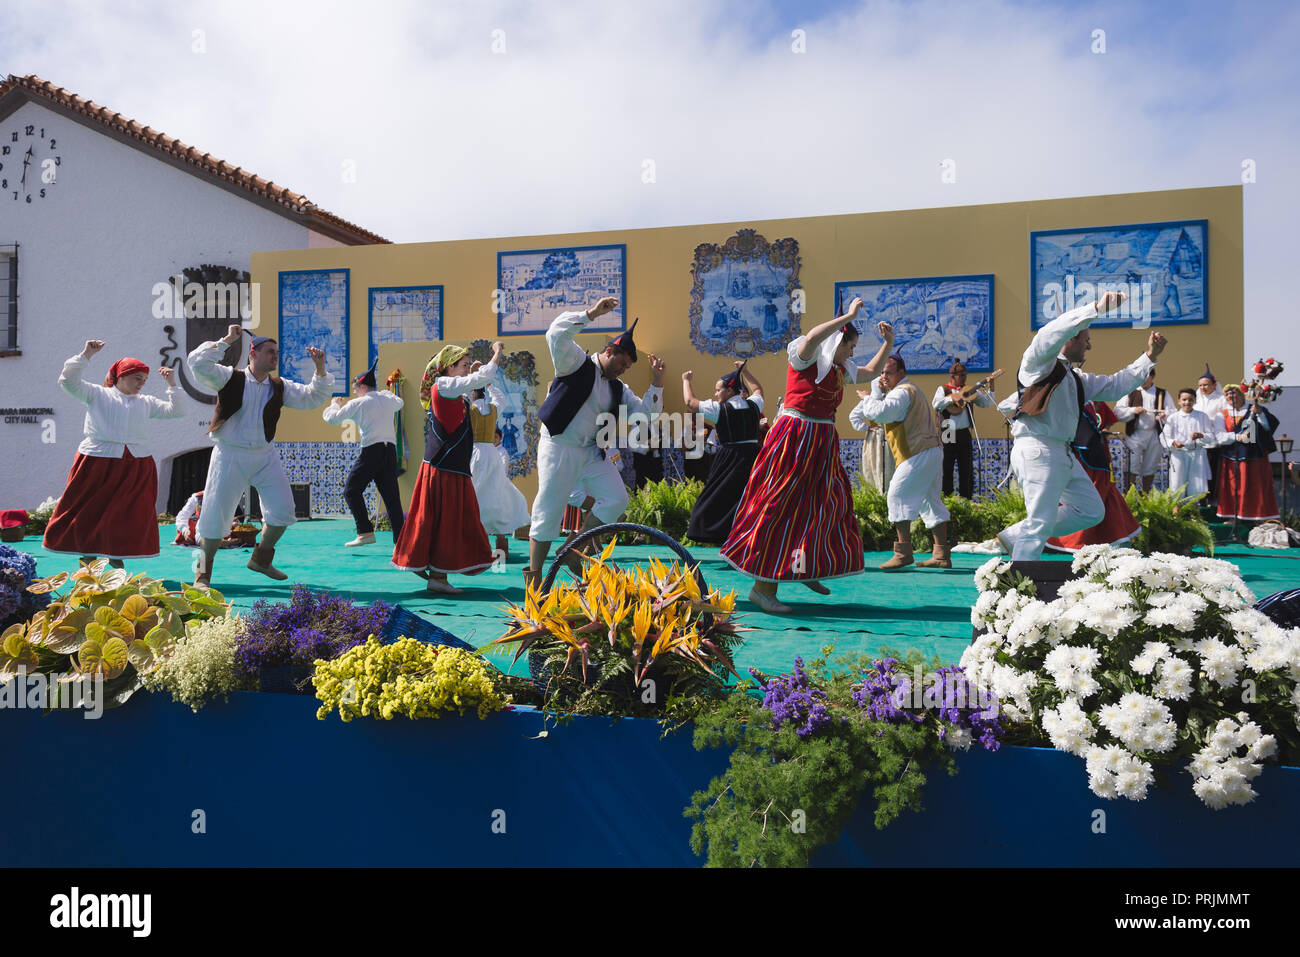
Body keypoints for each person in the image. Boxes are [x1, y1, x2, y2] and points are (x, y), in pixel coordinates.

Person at [720, 299, 891, 613]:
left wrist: (889, 344)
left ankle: (805, 567)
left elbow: (870, 372)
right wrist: (848, 316)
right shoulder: (805, 357)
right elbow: (813, 337)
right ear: (837, 341)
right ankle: (762, 590)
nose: (853, 352)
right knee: (781, 505)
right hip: (795, 438)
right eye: (850, 345)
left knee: (823, 505)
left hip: (821, 440)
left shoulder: (838, 369)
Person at [995, 292, 1165, 561]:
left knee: (1090, 510)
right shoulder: (1037, 364)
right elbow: (1048, 335)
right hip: (1038, 448)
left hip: (1062, 452)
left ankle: (1016, 536)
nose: (1089, 347)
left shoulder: (1075, 378)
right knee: (1039, 521)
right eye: (1086, 340)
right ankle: (1023, 581)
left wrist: (1149, 357)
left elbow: (1115, 385)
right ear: (1070, 338)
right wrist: (1097, 308)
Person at [525, 299, 665, 590]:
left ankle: (572, 551)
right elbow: (555, 334)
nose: (625, 369)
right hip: (558, 446)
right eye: (622, 363)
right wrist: (590, 315)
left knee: (617, 500)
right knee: (548, 511)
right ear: (609, 351)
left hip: (592, 452)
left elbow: (646, 416)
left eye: (628, 366)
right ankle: (535, 578)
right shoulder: (575, 362)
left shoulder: (618, 388)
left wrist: (657, 383)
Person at [187, 324, 334, 588]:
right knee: (212, 519)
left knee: (283, 511)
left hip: (265, 455)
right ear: (252, 353)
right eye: (270, 352)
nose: (275, 357)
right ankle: (202, 574)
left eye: (277, 352)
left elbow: (313, 397)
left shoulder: (280, 386)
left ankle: (261, 559)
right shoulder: (228, 377)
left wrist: (320, 368)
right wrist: (226, 341)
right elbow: (197, 365)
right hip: (229, 454)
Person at [43, 341, 183, 566]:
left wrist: (172, 384)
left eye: (144, 380)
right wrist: (86, 354)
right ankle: (88, 561)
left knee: (125, 514)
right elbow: (68, 381)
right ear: (120, 376)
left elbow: (176, 411)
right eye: (137, 378)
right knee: (89, 510)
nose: (141, 384)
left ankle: (115, 559)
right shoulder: (97, 394)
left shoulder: (146, 402)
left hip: (135, 464)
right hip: (96, 461)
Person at [392, 342, 505, 592]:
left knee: (442, 520)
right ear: (449, 367)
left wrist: (474, 374)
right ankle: (436, 576)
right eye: (462, 365)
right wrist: (497, 351)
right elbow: (482, 378)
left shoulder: (452, 390)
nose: (466, 369)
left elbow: (476, 385)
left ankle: (431, 571)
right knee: (445, 521)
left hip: (449, 467)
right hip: (444, 468)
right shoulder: (443, 385)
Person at [855, 353, 952, 570]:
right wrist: (876, 393)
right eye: (882, 372)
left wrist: (870, 395)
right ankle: (941, 555)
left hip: (918, 453)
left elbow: (880, 413)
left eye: (888, 372)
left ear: (901, 372)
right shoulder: (908, 390)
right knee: (931, 501)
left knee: (896, 495)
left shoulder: (901, 393)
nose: (884, 376)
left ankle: (903, 552)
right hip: (931, 451)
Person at [322, 358, 406, 547]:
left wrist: (334, 404)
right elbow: (399, 402)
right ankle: (401, 544)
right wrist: (385, 392)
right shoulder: (387, 399)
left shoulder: (359, 403)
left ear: (361, 386)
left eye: (354, 389)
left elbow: (333, 419)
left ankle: (365, 532)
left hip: (372, 451)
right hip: (389, 452)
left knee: (351, 491)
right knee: (392, 499)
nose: (354, 393)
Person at [683, 360, 764, 544]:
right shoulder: (753, 405)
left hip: (730, 458)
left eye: (718, 390)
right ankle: (746, 539)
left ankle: (717, 536)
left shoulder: (720, 409)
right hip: (755, 458)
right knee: (748, 499)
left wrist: (686, 380)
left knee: (714, 500)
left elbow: (690, 402)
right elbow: (758, 390)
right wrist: (747, 372)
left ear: (730, 391)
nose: (716, 393)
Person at [1045, 400, 1139, 551]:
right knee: (1084, 495)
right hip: (1077, 455)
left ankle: (1116, 538)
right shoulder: (1065, 400)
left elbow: (1108, 422)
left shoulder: (1095, 401)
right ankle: (1066, 540)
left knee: (1105, 490)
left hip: (1097, 453)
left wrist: (1102, 432)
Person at [469, 379, 530, 558]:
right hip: (491, 453)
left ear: (473, 393)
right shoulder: (493, 408)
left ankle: (475, 547)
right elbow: (500, 398)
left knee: (474, 494)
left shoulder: (469, 409)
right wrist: (489, 384)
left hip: (475, 453)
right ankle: (501, 542)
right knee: (497, 493)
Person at [1215, 383, 1280, 540]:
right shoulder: (1222, 414)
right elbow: (1219, 435)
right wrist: (1236, 437)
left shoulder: (1255, 409)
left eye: (1235, 393)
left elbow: (1268, 427)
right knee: (1233, 488)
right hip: (1232, 455)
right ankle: (1234, 516)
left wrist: (1259, 414)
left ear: (1242, 395)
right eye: (1228, 395)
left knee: (1256, 487)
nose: (1232, 397)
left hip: (1254, 456)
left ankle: (1259, 517)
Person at [933, 359, 995, 498]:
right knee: (946, 467)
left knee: (966, 468)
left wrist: (991, 387)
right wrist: (951, 399)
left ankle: (966, 499)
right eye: (961, 375)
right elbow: (936, 404)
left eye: (965, 375)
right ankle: (946, 499)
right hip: (948, 429)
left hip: (963, 432)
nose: (964, 378)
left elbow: (986, 403)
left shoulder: (969, 391)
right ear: (953, 376)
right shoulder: (943, 389)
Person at [1114, 371, 1169, 492]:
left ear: (1152, 377)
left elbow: (1172, 412)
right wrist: (1133, 410)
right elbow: (1117, 412)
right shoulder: (1130, 392)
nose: (1143, 380)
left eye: (1146, 377)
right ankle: (1129, 497)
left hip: (1154, 434)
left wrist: (1164, 415)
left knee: (1150, 466)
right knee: (1132, 465)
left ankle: (1145, 496)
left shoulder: (1162, 393)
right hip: (1135, 433)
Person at [1161, 388, 1218, 501]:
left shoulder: (1202, 416)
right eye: (1184, 399)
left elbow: (1211, 436)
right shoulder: (1173, 417)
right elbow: (1164, 436)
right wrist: (1173, 442)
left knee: (1196, 484)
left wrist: (1201, 436)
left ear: (1195, 401)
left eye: (1190, 400)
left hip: (1197, 454)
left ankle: (1194, 510)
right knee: (1177, 482)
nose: (1187, 402)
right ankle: (1176, 511)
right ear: (1179, 401)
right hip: (1179, 454)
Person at [1195, 364, 1225, 506]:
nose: (1203, 388)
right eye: (1200, 385)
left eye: (1206, 385)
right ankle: (1201, 500)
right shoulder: (1196, 401)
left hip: (1214, 443)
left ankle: (1213, 500)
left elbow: (1224, 418)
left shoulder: (1221, 399)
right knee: (1199, 474)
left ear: (1214, 385)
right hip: (1198, 444)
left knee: (1213, 473)